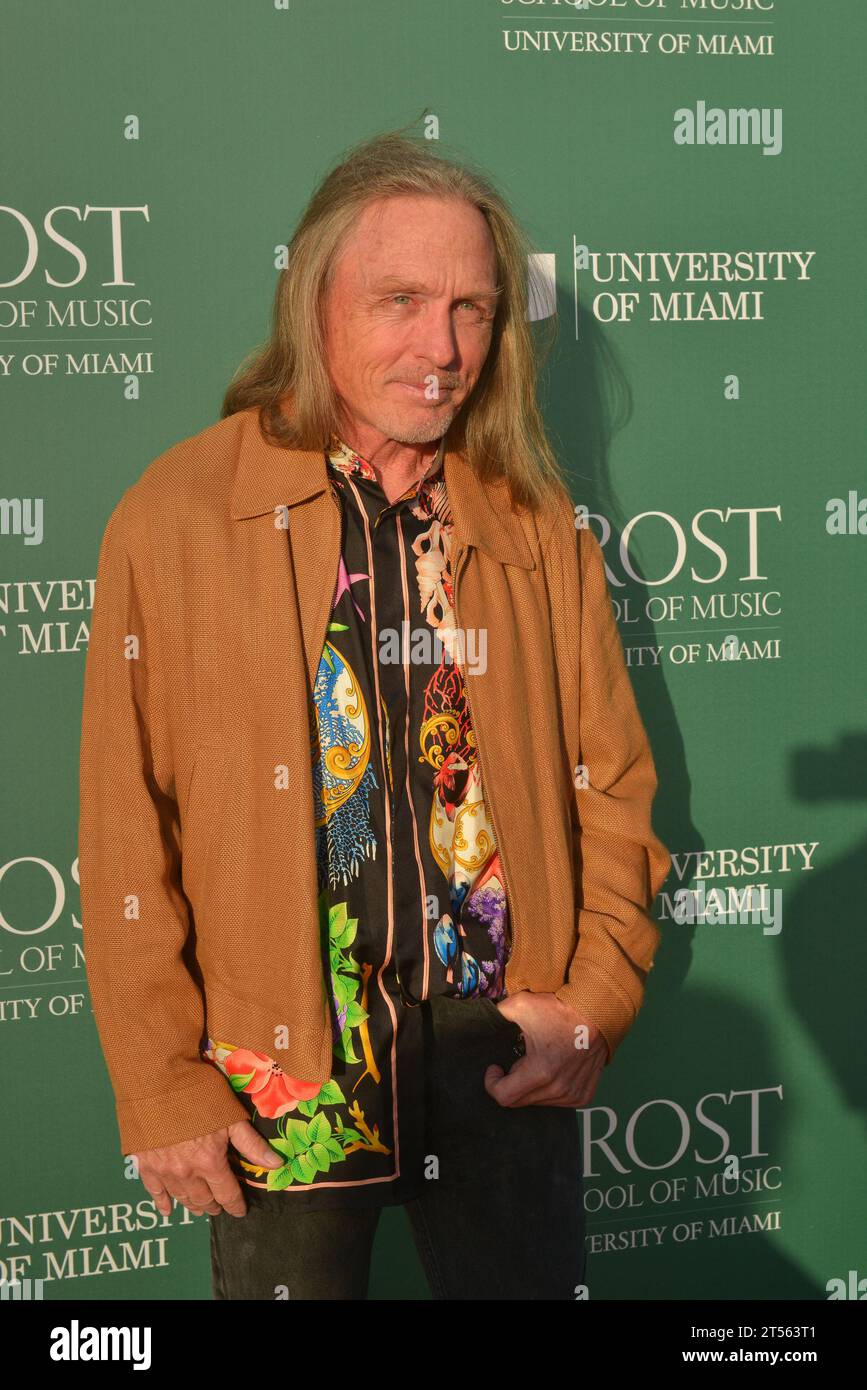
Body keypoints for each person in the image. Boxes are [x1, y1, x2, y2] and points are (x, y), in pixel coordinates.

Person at [78, 129, 671, 1300]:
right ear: (315, 300)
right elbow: (123, 822)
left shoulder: (534, 524)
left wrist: (592, 1009)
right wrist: (160, 1083)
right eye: (401, 300)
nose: (442, 349)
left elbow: (616, 788)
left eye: (473, 309)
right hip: (279, 1078)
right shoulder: (180, 513)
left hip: (499, 1057)